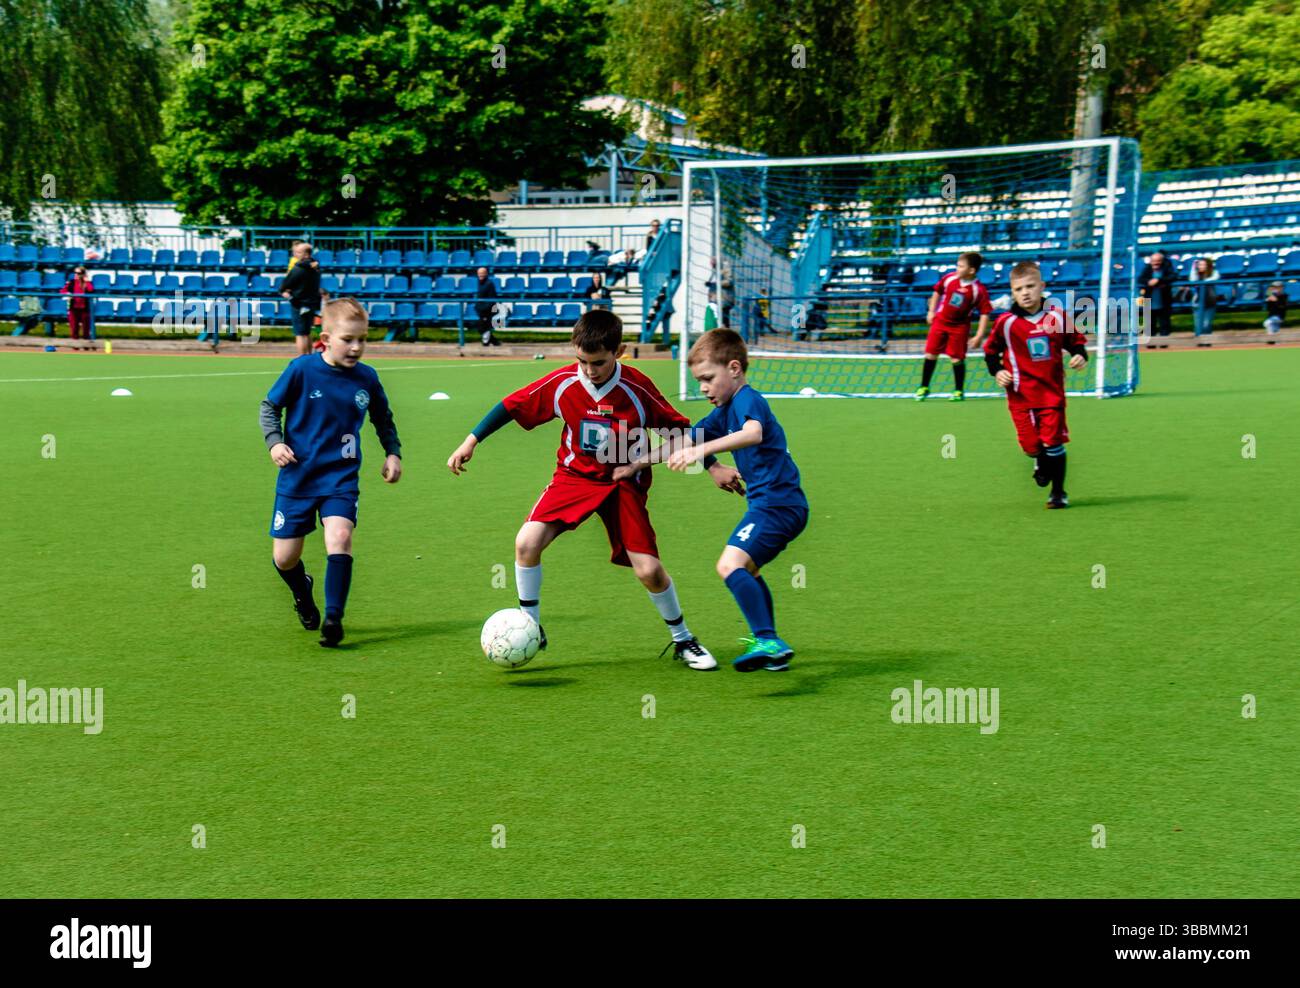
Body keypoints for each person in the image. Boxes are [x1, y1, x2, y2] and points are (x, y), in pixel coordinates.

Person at [445, 309, 721, 670]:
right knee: (526, 543)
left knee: (649, 571)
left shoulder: (637, 388)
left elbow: (682, 433)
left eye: (599, 362)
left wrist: (711, 466)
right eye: (582, 361)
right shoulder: (563, 383)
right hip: (574, 478)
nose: (589, 370)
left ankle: (684, 640)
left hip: (623, 483)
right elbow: (511, 406)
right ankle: (532, 625)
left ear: (619, 351)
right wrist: (470, 441)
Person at [616, 328, 807, 672]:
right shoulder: (723, 412)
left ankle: (768, 640)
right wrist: (636, 463)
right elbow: (683, 439)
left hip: (778, 506)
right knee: (747, 568)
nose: (702, 387)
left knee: (728, 566)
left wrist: (701, 451)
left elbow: (753, 434)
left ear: (734, 369)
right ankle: (770, 646)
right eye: (698, 380)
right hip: (778, 506)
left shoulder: (749, 400)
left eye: (708, 378)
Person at [260, 297, 403, 647]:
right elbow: (270, 406)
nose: (356, 347)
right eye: (347, 339)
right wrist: (275, 443)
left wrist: (392, 453)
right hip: (298, 476)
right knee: (284, 557)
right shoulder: (301, 369)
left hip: (340, 479)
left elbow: (383, 419)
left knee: (339, 537)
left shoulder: (367, 377)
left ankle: (334, 618)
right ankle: (302, 591)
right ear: (325, 337)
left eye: (362, 339)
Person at [983, 261, 1088, 509]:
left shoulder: (1057, 317)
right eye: (1019, 289)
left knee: (1053, 443)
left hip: (1051, 395)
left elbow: (1076, 342)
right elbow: (990, 352)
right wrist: (997, 371)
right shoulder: (1005, 323)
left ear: (1042, 286)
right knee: (1031, 447)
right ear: (1012, 292)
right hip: (1019, 396)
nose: (1025, 293)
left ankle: (1058, 492)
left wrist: (1080, 355)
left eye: (1030, 286)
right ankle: (1038, 458)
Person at [914, 252, 992, 402]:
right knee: (930, 353)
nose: (957, 268)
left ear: (971, 271)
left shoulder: (978, 290)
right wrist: (931, 311)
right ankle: (923, 387)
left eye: (961, 266)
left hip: (960, 327)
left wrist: (979, 335)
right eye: (957, 265)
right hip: (940, 322)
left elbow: (985, 313)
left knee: (956, 358)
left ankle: (958, 390)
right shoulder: (949, 279)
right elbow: (937, 292)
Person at [278, 242, 324, 357]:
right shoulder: (316, 267)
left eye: (298, 252)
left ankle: (302, 359)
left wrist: (285, 292)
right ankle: (309, 357)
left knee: (300, 334)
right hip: (312, 303)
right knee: (307, 332)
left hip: (299, 304)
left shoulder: (298, 269)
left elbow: (284, 286)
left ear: (306, 254)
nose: (295, 254)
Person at [1138, 251, 1176, 348]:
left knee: (1164, 323)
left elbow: (1173, 277)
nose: (1156, 263)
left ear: (1162, 261)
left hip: (1164, 300)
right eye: (1154, 261)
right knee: (1149, 324)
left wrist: (1159, 280)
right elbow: (1140, 279)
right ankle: (1151, 344)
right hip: (1149, 300)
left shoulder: (1166, 268)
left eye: (1158, 261)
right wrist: (1149, 281)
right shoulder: (1147, 268)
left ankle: (1164, 343)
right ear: (1151, 261)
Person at [60, 265, 95, 350]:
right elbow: (62, 291)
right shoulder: (71, 282)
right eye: (75, 273)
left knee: (86, 328)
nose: (76, 274)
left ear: (83, 274)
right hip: (74, 308)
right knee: (74, 328)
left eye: (78, 273)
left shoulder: (87, 283)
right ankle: (75, 346)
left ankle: (86, 346)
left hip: (85, 308)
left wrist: (87, 281)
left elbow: (91, 290)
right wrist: (68, 294)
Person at [1188, 257, 1219, 347]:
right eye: (1200, 264)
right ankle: (1199, 342)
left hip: (1210, 302)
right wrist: (1193, 268)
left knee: (1207, 324)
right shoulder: (1196, 274)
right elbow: (1192, 280)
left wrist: (1202, 281)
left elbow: (1215, 278)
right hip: (1197, 302)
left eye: (1203, 264)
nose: (1201, 266)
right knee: (1198, 324)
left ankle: (1207, 341)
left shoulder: (1214, 273)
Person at [473, 266, 501, 346]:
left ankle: (487, 342)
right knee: (480, 326)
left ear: (486, 274)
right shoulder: (479, 283)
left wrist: (484, 309)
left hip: (489, 310)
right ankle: (494, 341)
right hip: (481, 310)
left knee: (482, 326)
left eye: (482, 273)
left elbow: (492, 299)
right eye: (479, 273)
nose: (480, 275)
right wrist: (478, 307)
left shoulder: (489, 284)